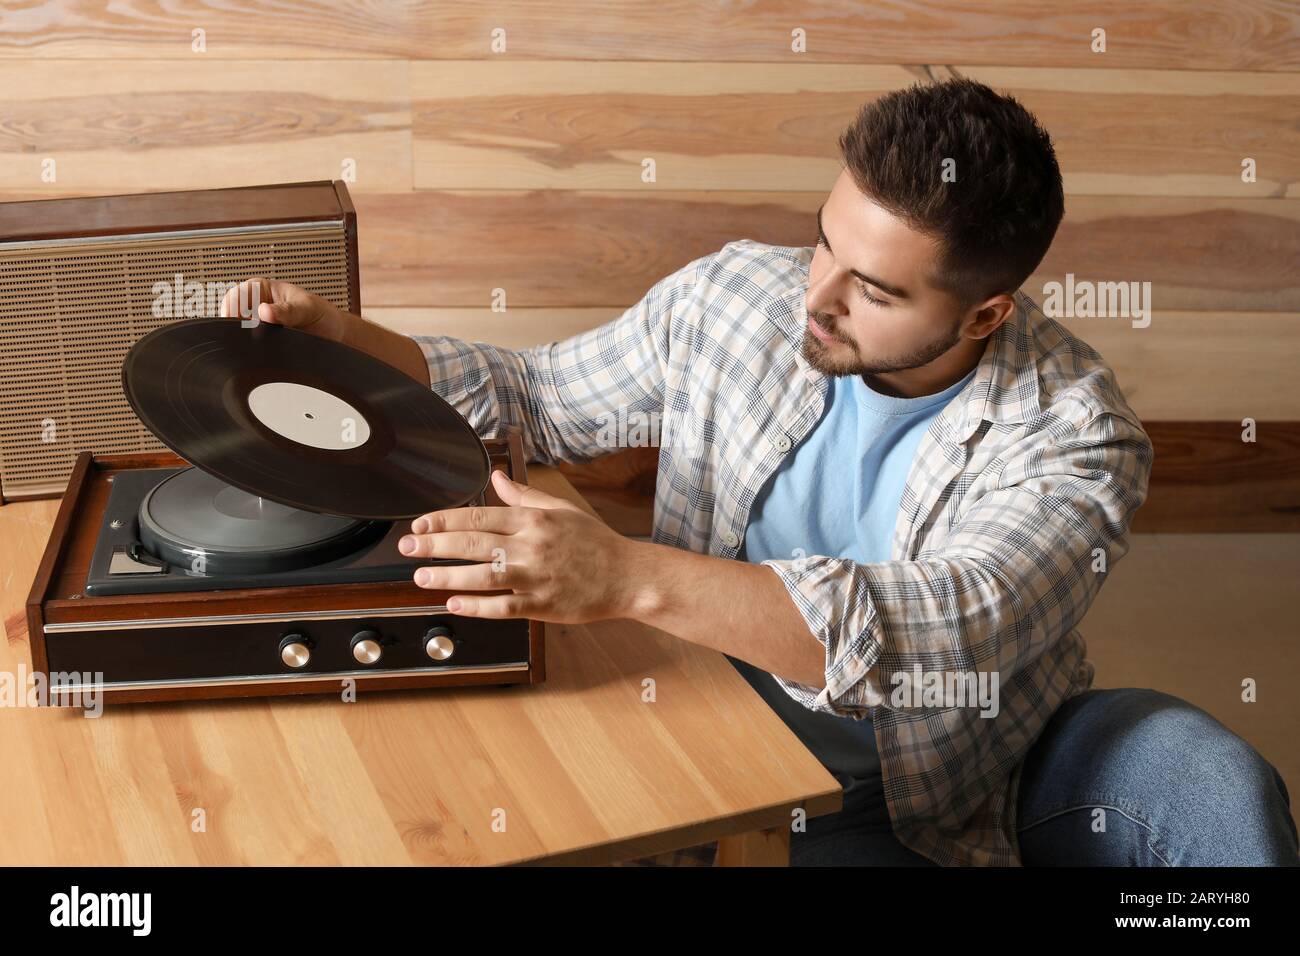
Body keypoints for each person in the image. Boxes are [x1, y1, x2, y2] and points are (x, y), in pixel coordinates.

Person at [221, 78, 1298, 866]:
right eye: (822, 240)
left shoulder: (1077, 436)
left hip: (944, 791)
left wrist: (626, 577)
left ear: (984, 312)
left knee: (1213, 789)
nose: (816, 297)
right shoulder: (734, 296)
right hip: (698, 757)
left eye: (873, 290)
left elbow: (941, 626)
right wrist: (352, 341)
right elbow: (539, 396)